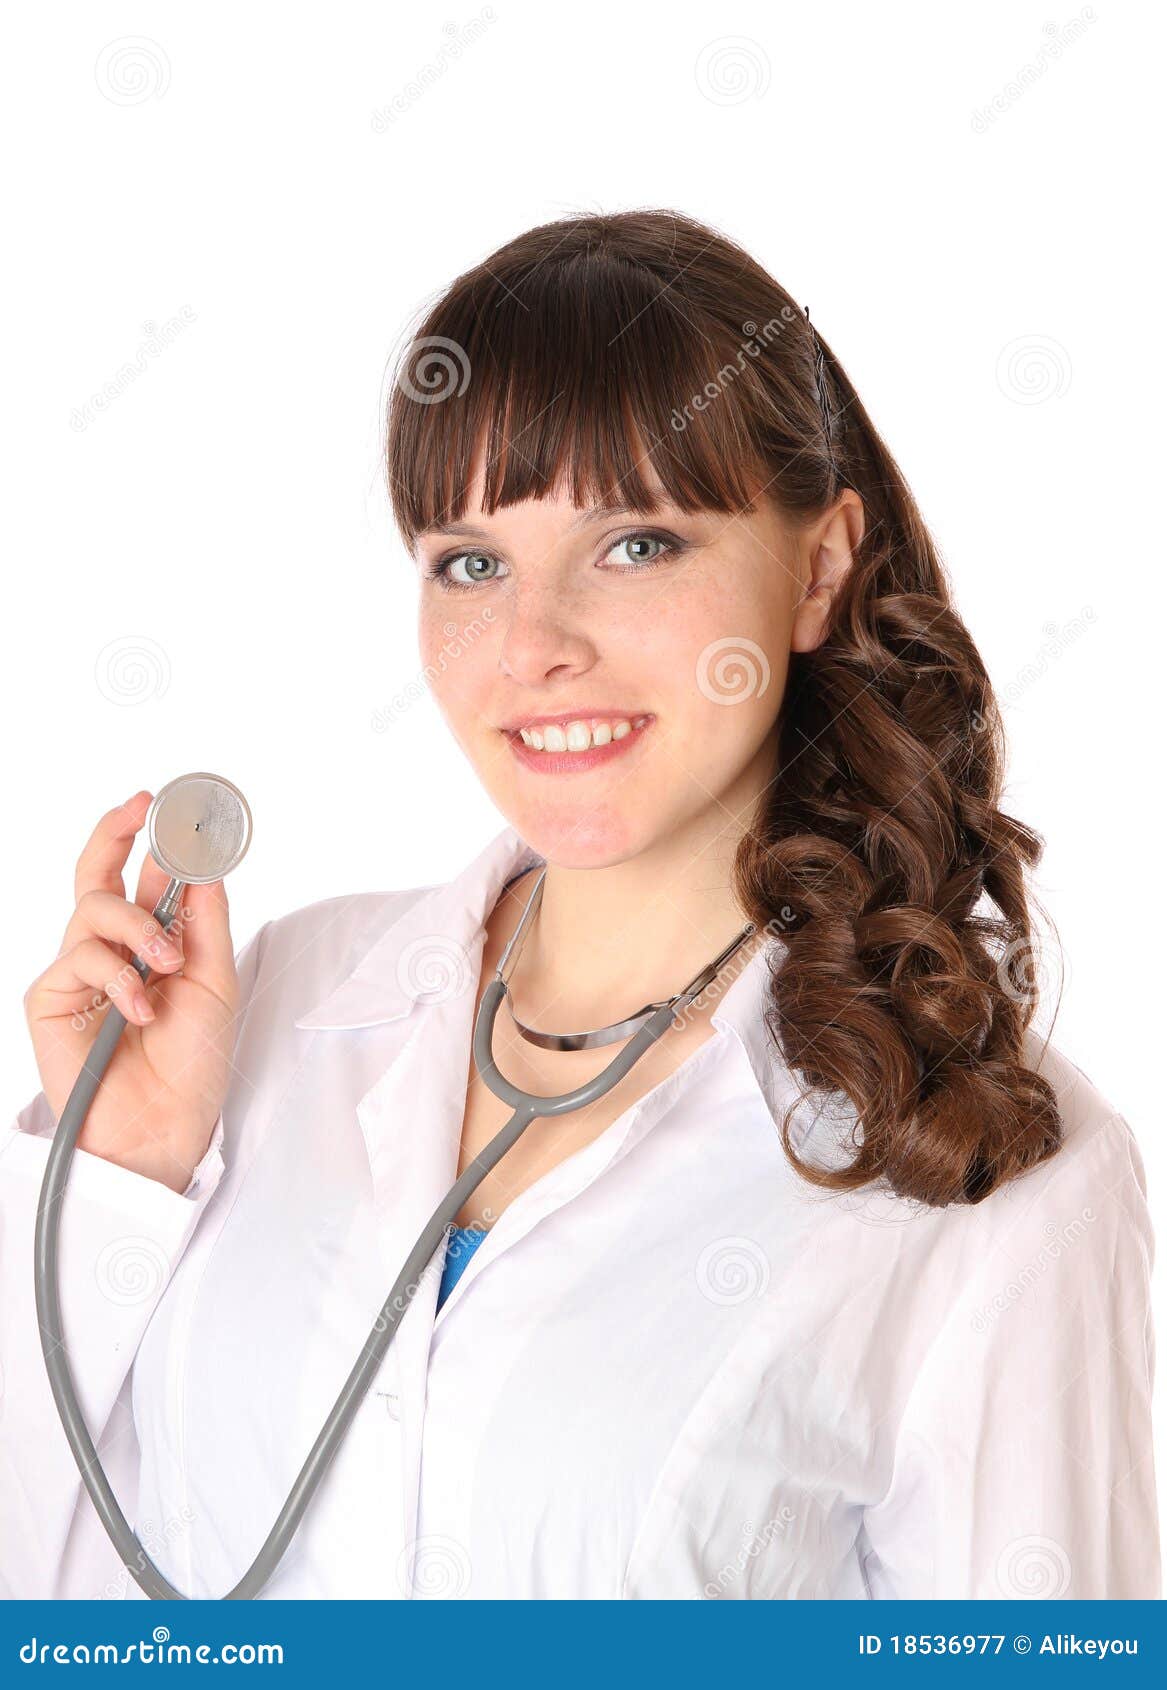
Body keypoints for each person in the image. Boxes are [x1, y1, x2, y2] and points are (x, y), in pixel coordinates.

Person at [1, 210, 1157, 1601]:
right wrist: (115, 1180)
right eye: (471, 562)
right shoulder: (272, 1005)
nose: (535, 647)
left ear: (821, 566)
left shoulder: (987, 1155)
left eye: (638, 544)